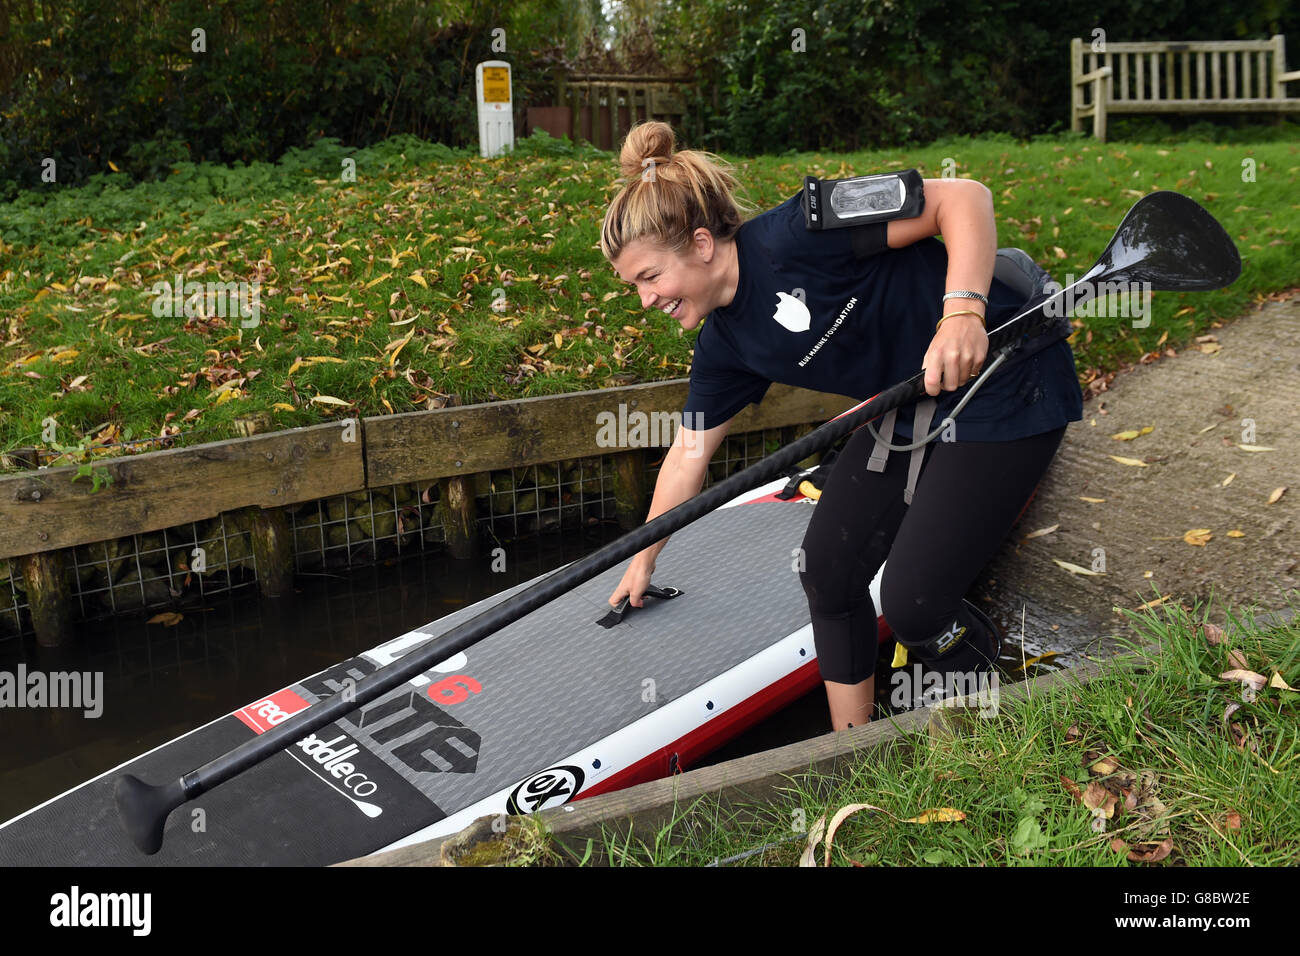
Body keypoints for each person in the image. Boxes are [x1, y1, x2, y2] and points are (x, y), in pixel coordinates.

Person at [600, 121, 1082, 730]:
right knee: (827, 572)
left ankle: (987, 723)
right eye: (634, 286)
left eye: (649, 278)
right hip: (913, 403)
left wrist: (961, 311)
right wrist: (643, 560)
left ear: (700, 244)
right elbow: (689, 455)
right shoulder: (726, 345)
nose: (645, 300)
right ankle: (850, 750)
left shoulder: (809, 222)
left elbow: (964, 198)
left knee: (914, 603)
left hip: (1006, 373)